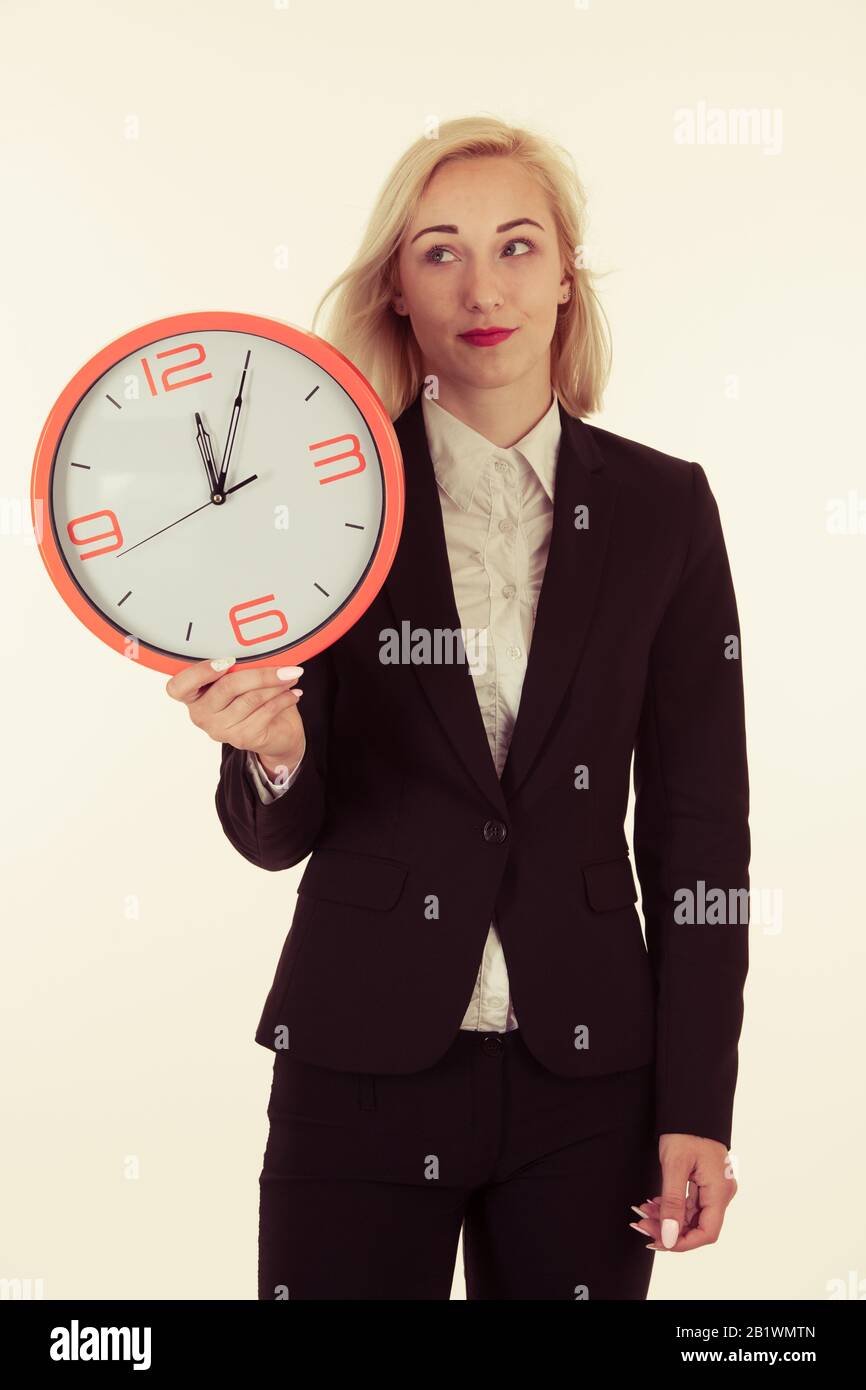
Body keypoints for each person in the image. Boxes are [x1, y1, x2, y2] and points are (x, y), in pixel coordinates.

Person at [167, 115, 750, 1300]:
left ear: (565, 281)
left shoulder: (661, 509)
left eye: (516, 246)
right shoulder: (312, 500)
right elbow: (274, 832)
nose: (481, 286)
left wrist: (697, 1105)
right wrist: (274, 750)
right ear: (395, 284)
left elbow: (700, 828)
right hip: (356, 1058)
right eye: (439, 251)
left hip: (589, 1083)